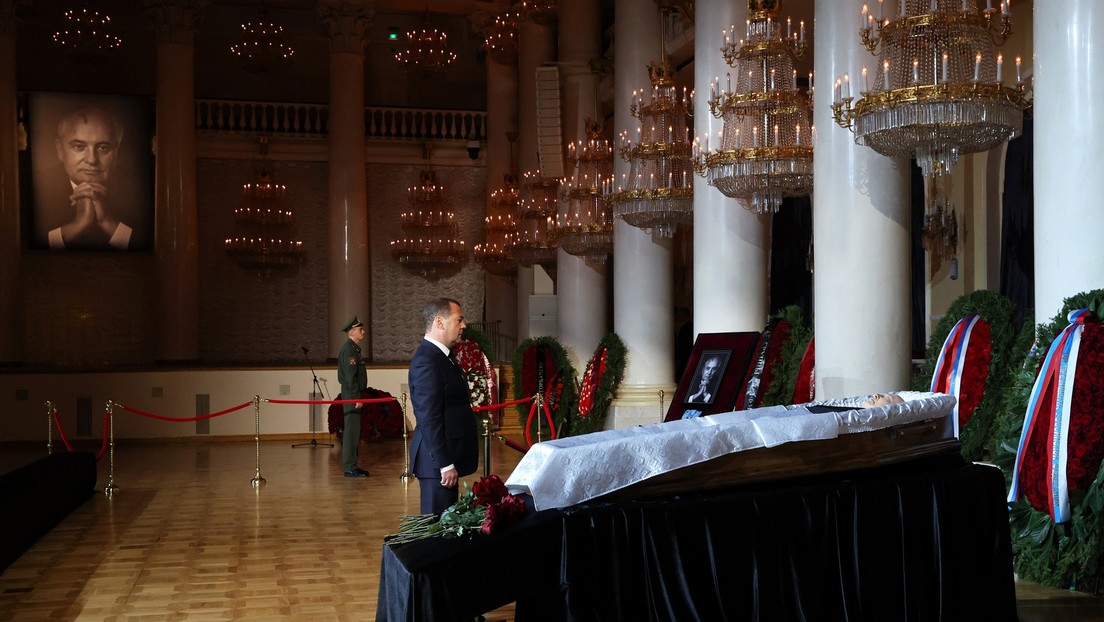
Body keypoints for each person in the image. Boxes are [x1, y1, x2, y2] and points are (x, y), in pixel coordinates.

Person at [35, 107, 145, 250]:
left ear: (117, 151)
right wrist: (77, 226)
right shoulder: (30, 187)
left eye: (103, 147)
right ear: (60, 150)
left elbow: (150, 249)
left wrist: (107, 222)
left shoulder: (143, 188)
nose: (92, 160)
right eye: (79, 146)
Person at [408, 298, 479, 515]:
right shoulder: (427, 361)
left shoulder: (442, 356)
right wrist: (445, 463)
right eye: (459, 320)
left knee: (445, 529)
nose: (463, 325)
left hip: (444, 459)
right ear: (439, 322)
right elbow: (429, 417)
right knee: (436, 534)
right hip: (436, 463)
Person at [338, 316, 370, 478]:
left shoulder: (354, 349)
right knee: (351, 432)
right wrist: (356, 397)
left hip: (354, 394)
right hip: (352, 395)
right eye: (360, 329)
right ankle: (350, 466)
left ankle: (352, 465)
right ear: (352, 332)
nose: (362, 332)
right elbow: (350, 378)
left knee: (354, 431)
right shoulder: (349, 350)